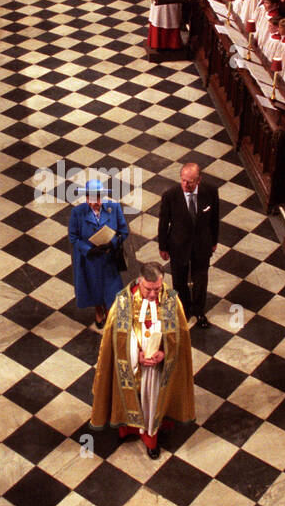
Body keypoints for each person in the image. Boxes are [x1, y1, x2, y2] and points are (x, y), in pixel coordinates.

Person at [90, 261, 195, 460]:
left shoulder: (172, 301)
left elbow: (179, 336)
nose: (154, 294)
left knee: (153, 402)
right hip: (133, 366)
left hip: (157, 367)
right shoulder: (123, 302)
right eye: (149, 289)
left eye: (157, 289)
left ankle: (151, 440)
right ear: (140, 281)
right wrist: (134, 356)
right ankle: (128, 429)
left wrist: (164, 353)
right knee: (130, 397)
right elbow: (116, 338)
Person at [158, 162, 220, 328]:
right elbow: (163, 223)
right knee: (179, 280)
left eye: (190, 182)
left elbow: (214, 220)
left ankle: (199, 311)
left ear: (198, 180)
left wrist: (214, 242)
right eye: (183, 180)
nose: (186, 184)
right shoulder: (170, 196)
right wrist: (162, 246)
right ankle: (183, 309)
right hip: (178, 245)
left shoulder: (211, 192)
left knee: (201, 279)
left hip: (202, 245)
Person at [68, 178, 129, 328]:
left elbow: (124, 231)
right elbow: (73, 237)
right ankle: (98, 310)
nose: (97, 202)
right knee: (93, 287)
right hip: (89, 260)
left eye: (99, 198)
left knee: (111, 289)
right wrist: (89, 249)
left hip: (109, 259)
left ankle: (110, 312)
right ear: (87, 198)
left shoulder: (114, 208)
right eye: (93, 199)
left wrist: (112, 242)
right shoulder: (77, 213)